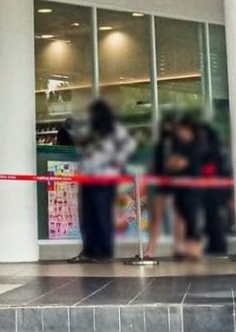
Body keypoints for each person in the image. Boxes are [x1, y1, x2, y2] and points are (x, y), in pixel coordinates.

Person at [70, 100, 135, 263]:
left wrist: (117, 160)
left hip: (105, 177)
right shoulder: (90, 130)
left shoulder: (114, 130)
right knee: (88, 215)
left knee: (101, 214)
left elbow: (130, 144)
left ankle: (104, 251)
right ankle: (90, 250)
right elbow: (84, 149)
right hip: (87, 176)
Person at [166, 116, 204, 261]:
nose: (180, 132)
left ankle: (194, 247)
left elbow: (180, 164)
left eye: (182, 129)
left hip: (192, 187)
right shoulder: (178, 146)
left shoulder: (195, 147)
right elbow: (170, 164)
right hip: (179, 187)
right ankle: (181, 247)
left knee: (191, 216)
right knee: (180, 216)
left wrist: (176, 163)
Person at [144, 115, 177, 259]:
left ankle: (151, 249)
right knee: (159, 218)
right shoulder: (163, 146)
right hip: (161, 185)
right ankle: (151, 249)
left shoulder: (171, 145)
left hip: (167, 185)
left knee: (162, 218)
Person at [198, 120, 229, 257]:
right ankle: (214, 244)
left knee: (214, 216)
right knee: (210, 217)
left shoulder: (212, 149)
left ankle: (218, 245)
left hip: (215, 188)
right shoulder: (206, 148)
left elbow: (213, 168)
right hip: (208, 188)